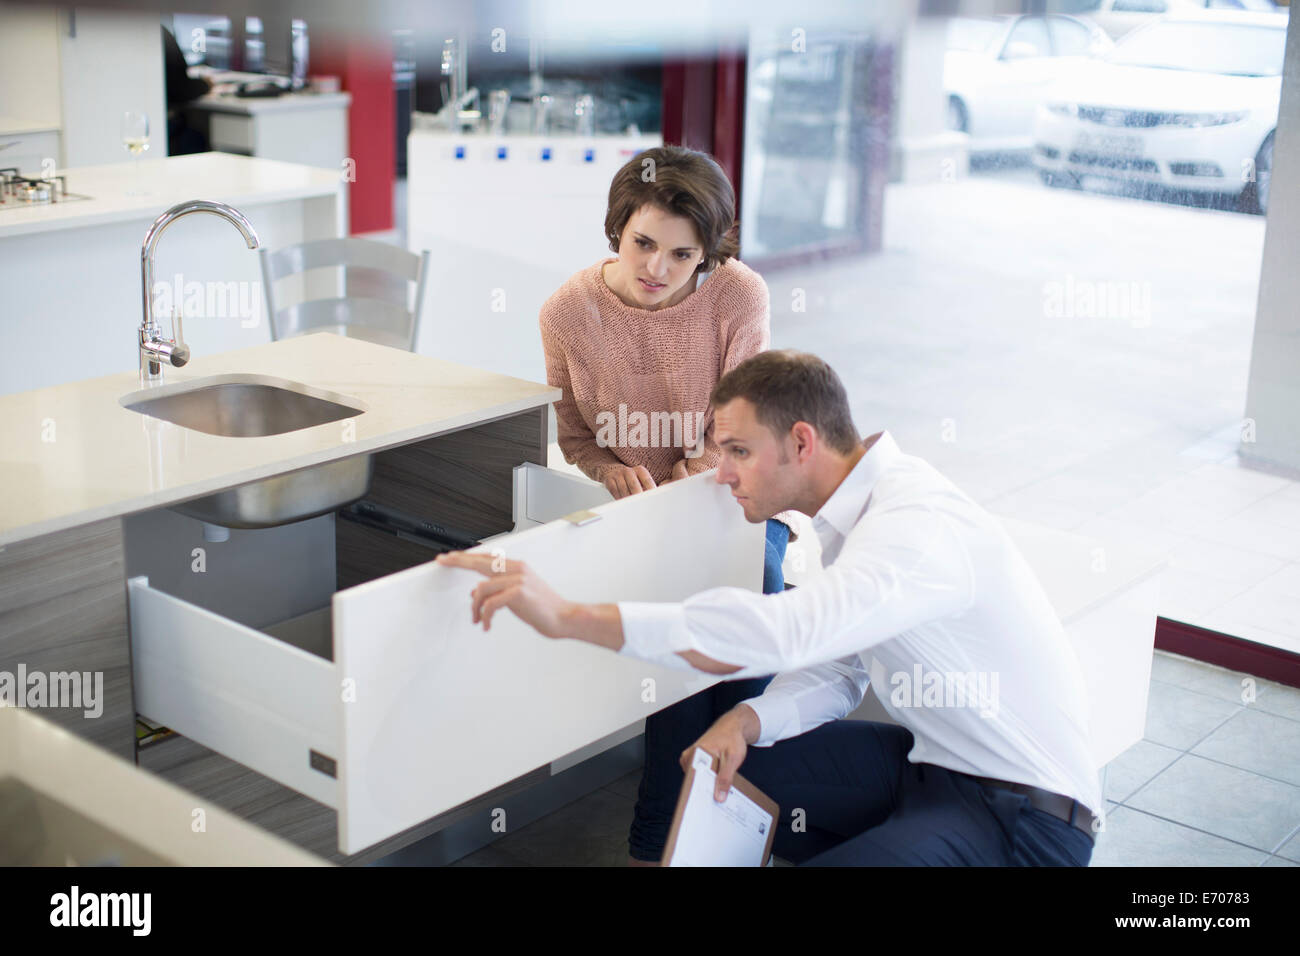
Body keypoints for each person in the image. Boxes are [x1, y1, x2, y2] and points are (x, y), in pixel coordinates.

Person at [437, 350, 1102, 866]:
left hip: (1025, 821)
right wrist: (748, 721)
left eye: (738, 452)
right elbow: (842, 670)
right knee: (726, 771)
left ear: (803, 443)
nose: (720, 472)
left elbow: (788, 630)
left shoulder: (915, 526)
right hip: (932, 768)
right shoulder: (857, 519)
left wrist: (567, 616)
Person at [537, 144, 795, 864]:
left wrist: (696, 468)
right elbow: (575, 436)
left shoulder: (739, 296)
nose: (657, 268)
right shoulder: (567, 313)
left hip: (737, 499)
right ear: (617, 228)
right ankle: (667, 846)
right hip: (645, 517)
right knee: (685, 651)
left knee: (754, 610)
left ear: (708, 257)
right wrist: (610, 468)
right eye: (643, 243)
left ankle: (735, 825)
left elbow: (746, 428)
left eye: (682, 256)